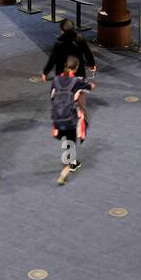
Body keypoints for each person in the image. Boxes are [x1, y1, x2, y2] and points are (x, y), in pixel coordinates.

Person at [49, 55, 93, 184]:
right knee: (71, 140)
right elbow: (89, 87)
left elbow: (52, 97)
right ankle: (66, 169)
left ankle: (70, 161)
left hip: (57, 118)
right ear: (77, 67)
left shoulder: (56, 80)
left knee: (66, 140)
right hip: (70, 118)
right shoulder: (77, 81)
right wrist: (89, 85)